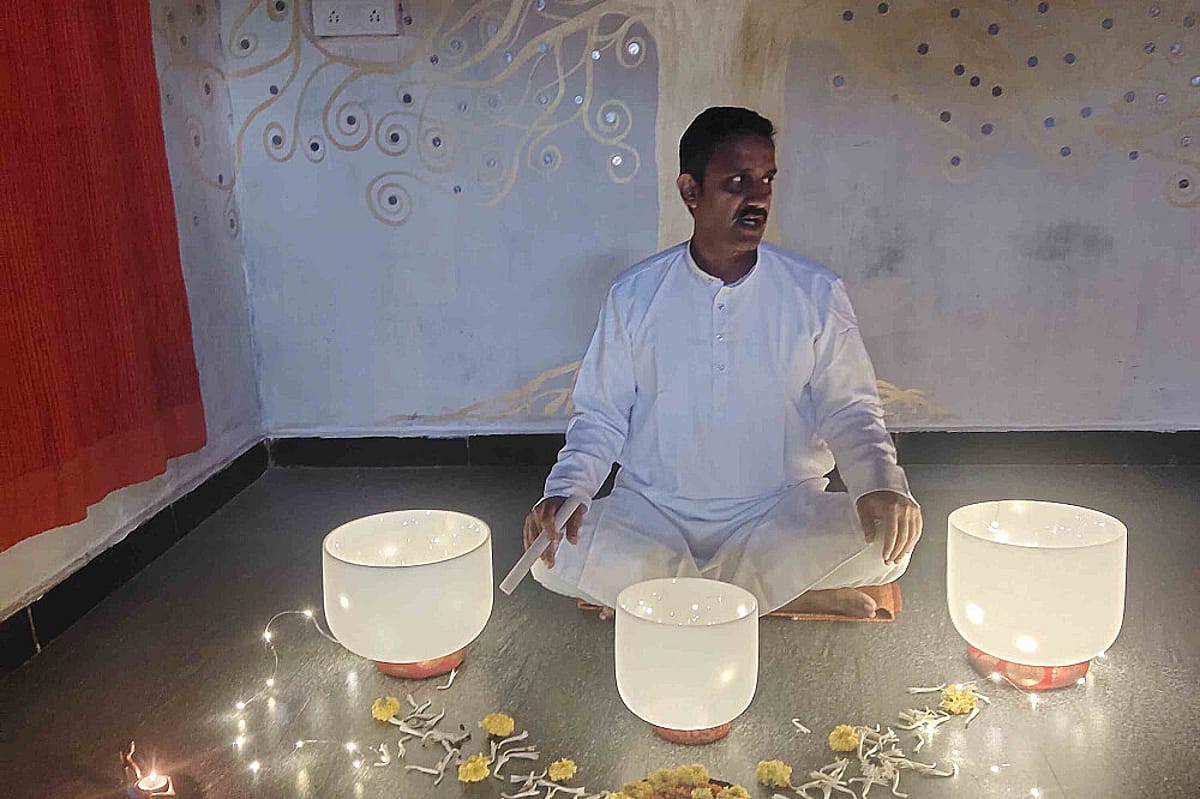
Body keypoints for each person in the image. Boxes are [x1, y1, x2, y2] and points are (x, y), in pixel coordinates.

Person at [523, 107, 922, 618]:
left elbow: (850, 410)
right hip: (652, 512)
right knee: (551, 558)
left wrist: (880, 486)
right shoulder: (635, 295)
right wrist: (566, 492)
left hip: (778, 513)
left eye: (766, 180)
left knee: (889, 544)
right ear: (691, 191)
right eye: (737, 182)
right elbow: (600, 416)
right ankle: (779, 596)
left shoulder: (814, 291)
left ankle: (665, 601)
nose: (757, 198)